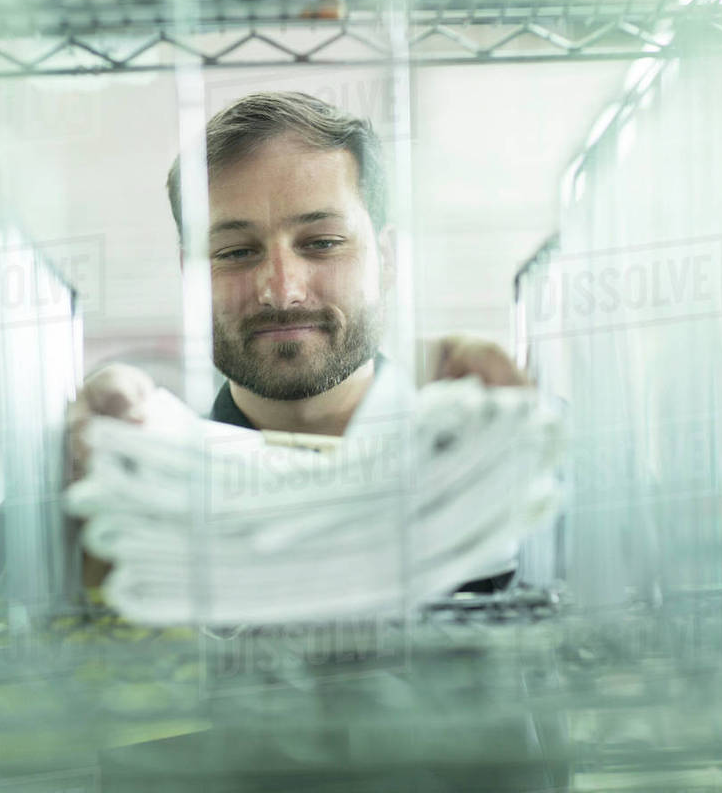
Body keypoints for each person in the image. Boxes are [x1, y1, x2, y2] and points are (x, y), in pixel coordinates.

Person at [63, 91, 529, 595]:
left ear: (387, 257)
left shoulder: (509, 451)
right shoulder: (125, 481)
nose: (281, 291)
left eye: (323, 243)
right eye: (236, 252)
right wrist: (66, 493)